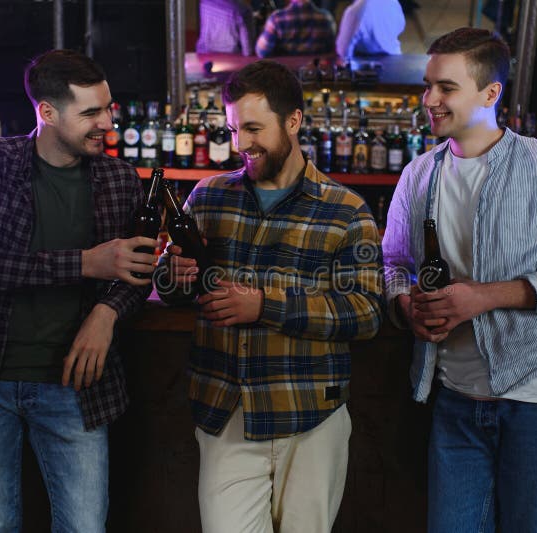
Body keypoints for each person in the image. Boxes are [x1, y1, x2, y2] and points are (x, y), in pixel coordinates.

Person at [382, 28, 537, 532]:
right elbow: (393, 266)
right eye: (428, 87)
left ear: (491, 94)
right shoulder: (418, 174)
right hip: (455, 399)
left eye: (446, 88)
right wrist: (407, 306)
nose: (430, 100)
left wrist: (483, 298)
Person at [0, 49, 157, 532]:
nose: (107, 123)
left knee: (84, 526)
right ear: (48, 112)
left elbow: (135, 274)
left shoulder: (119, 178)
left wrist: (107, 314)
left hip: (76, 385)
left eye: (108, 107)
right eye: (91, 113)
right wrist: (86, 262)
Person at [159, 59, 383, 532]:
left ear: (294, 121)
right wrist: (173, 276)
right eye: (235, 128)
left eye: (254, 129)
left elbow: (365, 312)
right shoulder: (208, 195)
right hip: (227, 412)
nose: (241, 144)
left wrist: (263, 304)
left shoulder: (345, 210)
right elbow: (172, 287)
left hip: (310, 415)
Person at [255, 0, 337, 58]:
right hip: (313, 77)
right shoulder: (326, 18)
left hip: (285, 75)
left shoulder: (276, 19)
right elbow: (331, 49)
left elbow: (262, 52)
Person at [335, 0, 406, 59]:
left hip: (367, 67)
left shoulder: (354, 12)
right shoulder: (393, 3)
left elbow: (342, 51)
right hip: (396, 59)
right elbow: (400, 26)